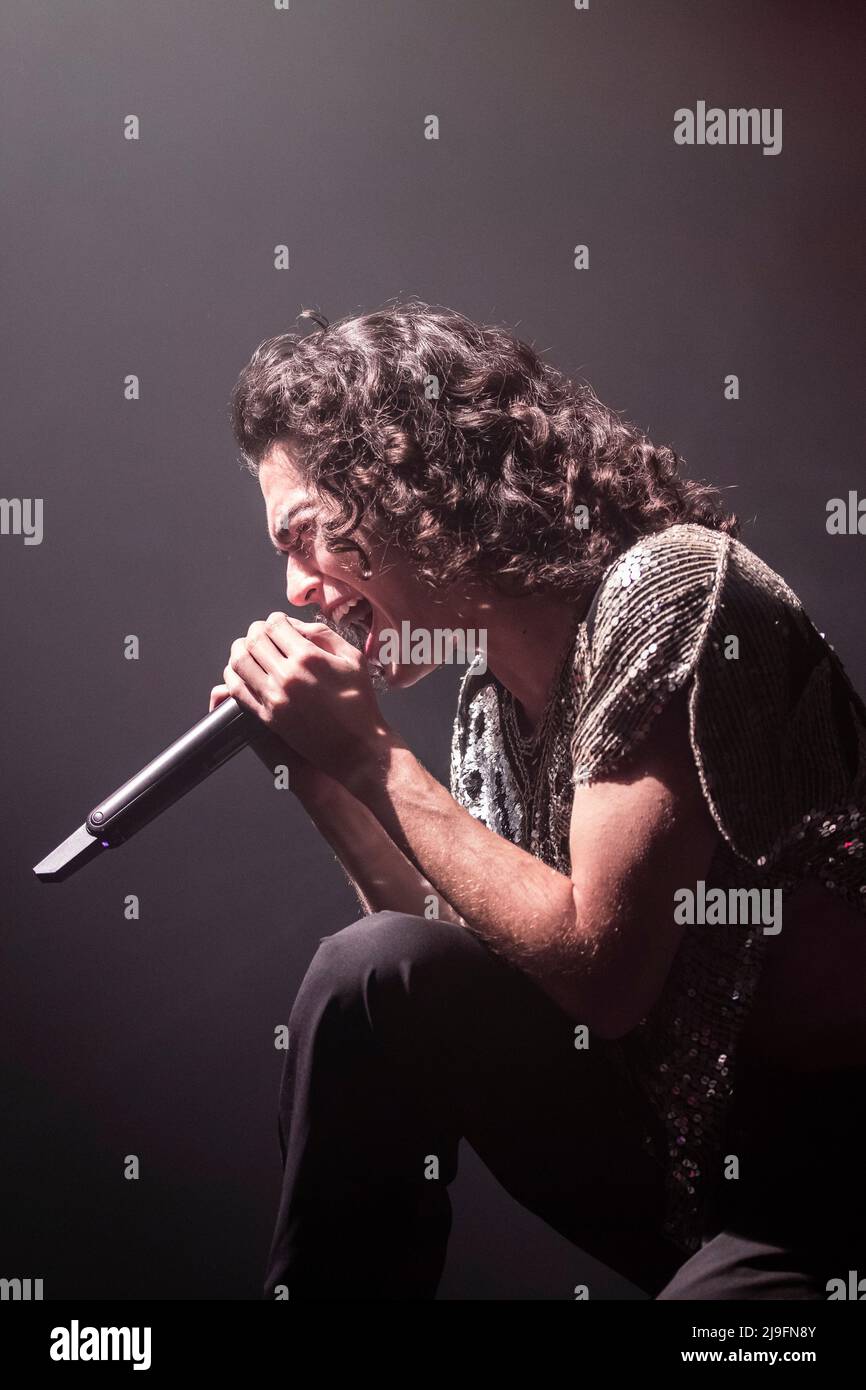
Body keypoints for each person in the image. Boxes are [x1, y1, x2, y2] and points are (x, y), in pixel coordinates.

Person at [209, 300, 866, 1300]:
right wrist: (323, 769)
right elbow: (443, 941)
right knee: (372, 974)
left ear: (400, 480)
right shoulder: (491, 699)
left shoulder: (672, 589)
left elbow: (601, 971)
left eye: (304, 537)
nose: (296, 587)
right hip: (679, 1166)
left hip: (821, 1188)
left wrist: (373, 753)